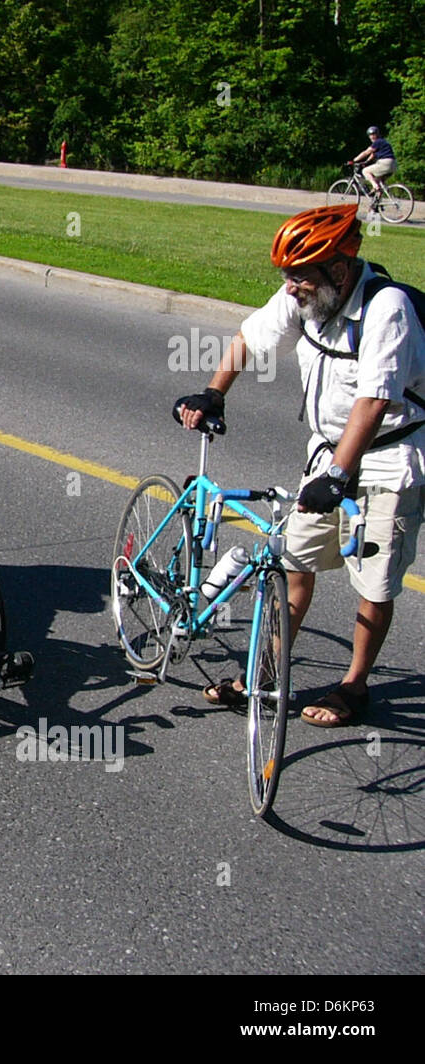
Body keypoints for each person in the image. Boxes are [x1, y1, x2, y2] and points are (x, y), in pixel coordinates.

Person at [175, 204, 425, 725]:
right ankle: (263, 673)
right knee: (293, 563)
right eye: (287, 276)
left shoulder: (387, 309)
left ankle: (354, 686)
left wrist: (338, 476)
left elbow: (375, 402)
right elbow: (249, 338)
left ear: (339, 268)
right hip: (328, 454)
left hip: (388, 460)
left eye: (300, 277)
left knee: (374, 583)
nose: (290, 288)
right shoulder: (305, 296)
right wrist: (214, 393)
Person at [351, 125, 397, 196]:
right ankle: (377, 199)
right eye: (370, 135)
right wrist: (366, 162)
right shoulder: (383, 142)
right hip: (393, 165)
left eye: (373, 134)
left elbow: (366, 152)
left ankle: (376, 187)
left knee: (365, 171)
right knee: (377, 180)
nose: (372, 136)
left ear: (377, 134)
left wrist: (354, 160)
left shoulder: (378, 142)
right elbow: (372, 155)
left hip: (385, 163)